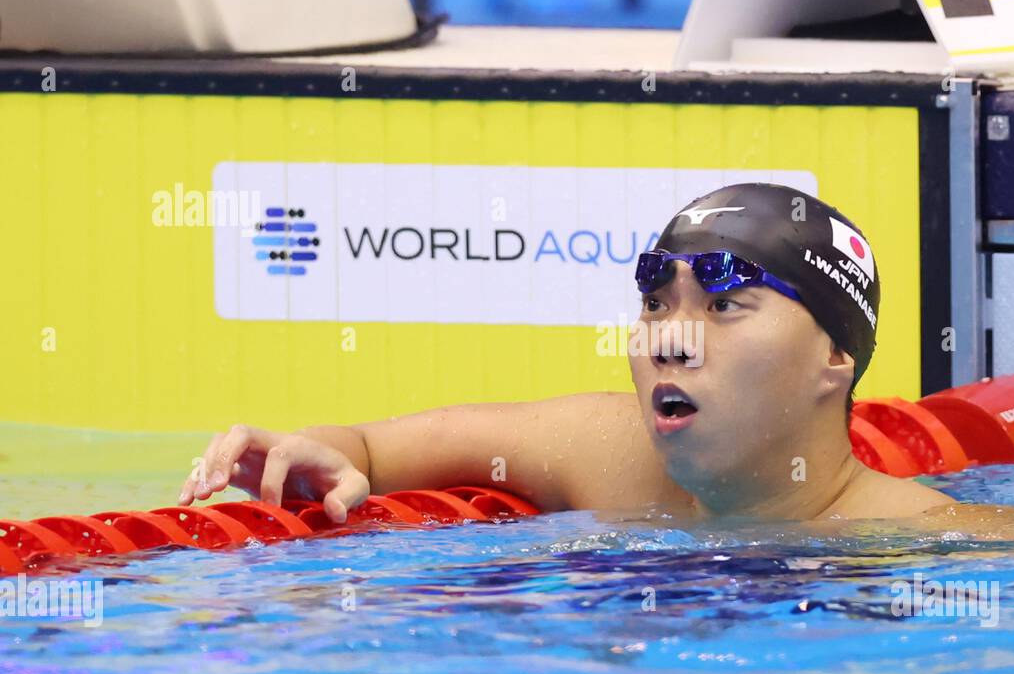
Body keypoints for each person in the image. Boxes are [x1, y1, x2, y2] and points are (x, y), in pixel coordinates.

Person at [178, 183, 954, 522]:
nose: (671, 339)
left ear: (834, 360)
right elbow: (373, 449)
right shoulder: (603, 454)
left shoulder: (927, 544)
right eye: (656, 304)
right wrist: (328, 454)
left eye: (723, 307)